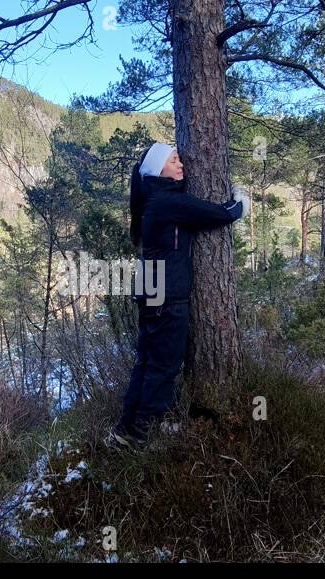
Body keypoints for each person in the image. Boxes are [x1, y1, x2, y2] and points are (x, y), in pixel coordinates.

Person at [111, 142, 245, 449]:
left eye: (180, 160)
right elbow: (218, 213)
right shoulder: (166, 200)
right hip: (167, 295)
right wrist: (240, 202)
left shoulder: (152, 200)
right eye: (174, 161)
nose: (181, 165)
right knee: (164, 366)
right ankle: (141, 434)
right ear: (158, 169)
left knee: (146, 362)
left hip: (151, 292)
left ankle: (124, 428)